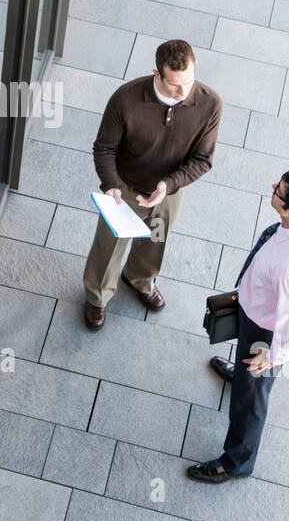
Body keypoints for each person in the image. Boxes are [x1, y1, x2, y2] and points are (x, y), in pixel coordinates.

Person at [187, 169, 289, 483]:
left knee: (250, 399)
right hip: (256, 307)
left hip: (265, 333)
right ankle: (240, 374)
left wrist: (271, 357)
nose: (273, 187)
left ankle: (237, 462)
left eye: (279, 190)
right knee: (246, 375)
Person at [83, 39, 222, 330]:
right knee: (109, 247)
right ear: (157, 74)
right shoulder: (126, 99)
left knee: (155, 241)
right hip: (125, 188)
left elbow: (202, 160)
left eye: (189, 81)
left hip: (168, 192)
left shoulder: (209, 103)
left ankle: (140, 279)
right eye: (175, 85)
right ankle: (97, 296)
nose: (184, 93)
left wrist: (168, 185)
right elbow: (104, 147)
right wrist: (111, 185)